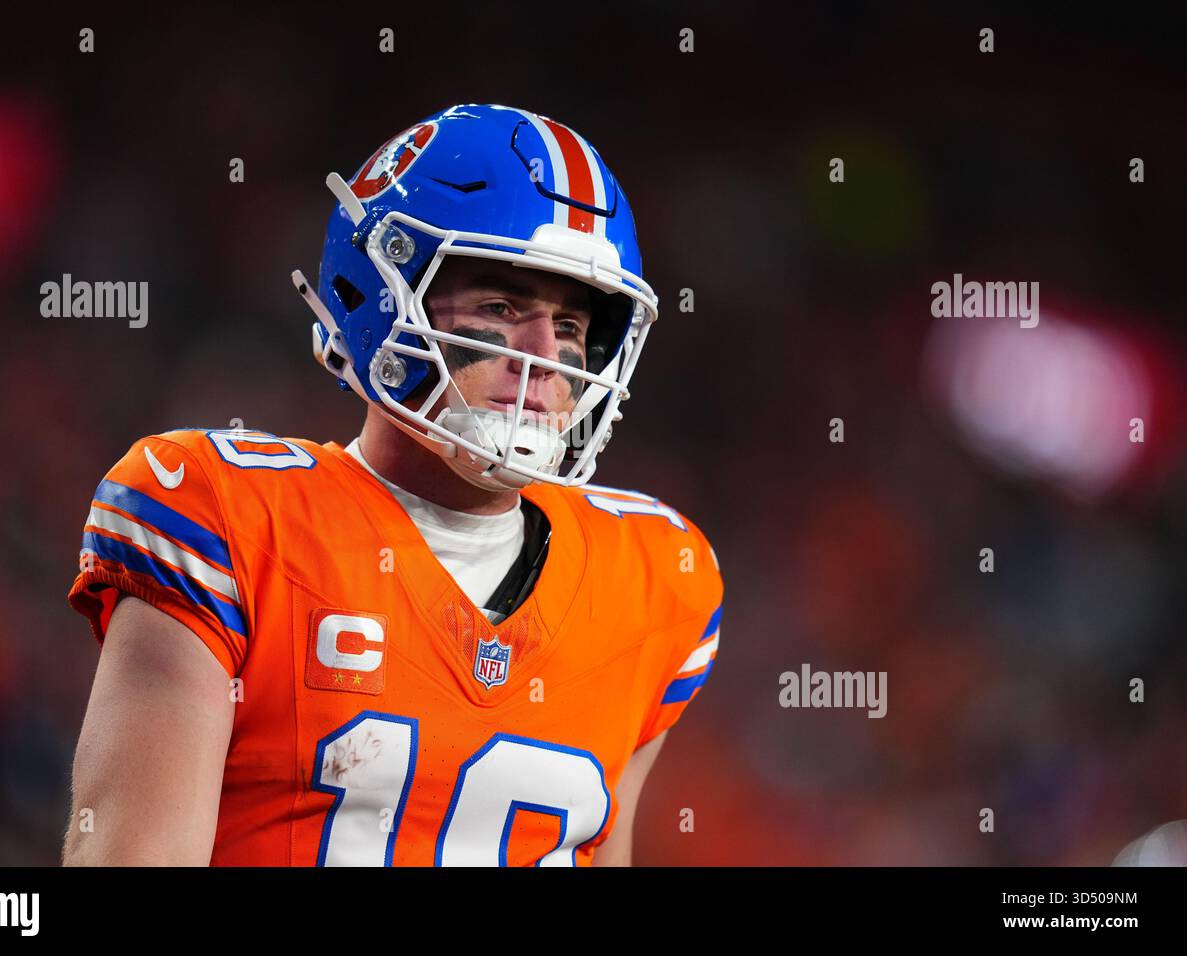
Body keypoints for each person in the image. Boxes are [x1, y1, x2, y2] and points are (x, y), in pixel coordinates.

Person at [63, 104, 722, 866]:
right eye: (501, 308)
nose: (546, 359)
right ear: (380, 296)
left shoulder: (655, 577)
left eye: (571, 327)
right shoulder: (226, 516)